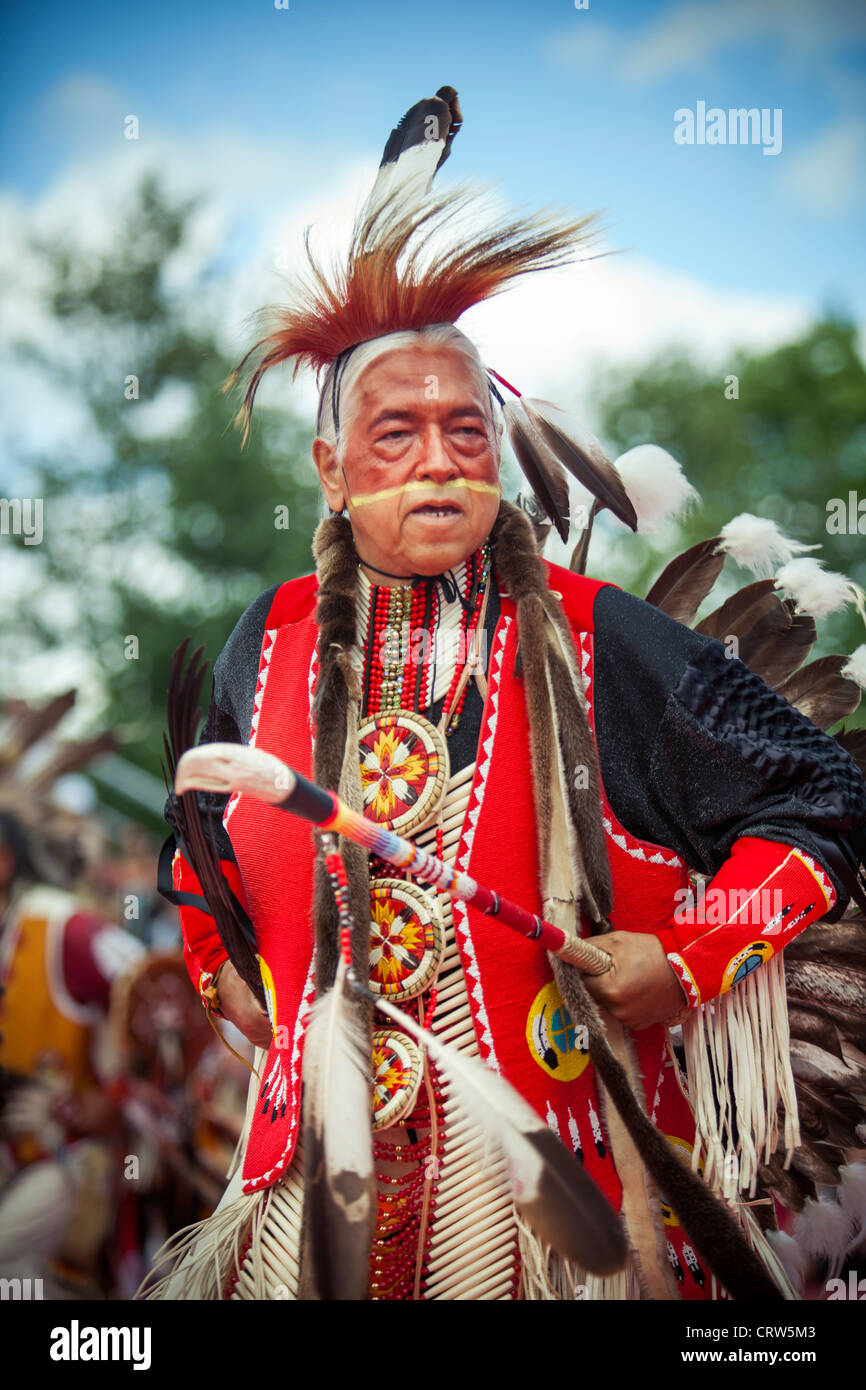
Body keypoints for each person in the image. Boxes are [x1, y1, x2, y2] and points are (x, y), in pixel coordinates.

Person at [144, 88, 866, 1301]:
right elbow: (198, 838)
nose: (438, 458)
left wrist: (685, 960)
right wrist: (229, 966)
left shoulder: (597, 642)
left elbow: (824, 795)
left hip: (552, 1211)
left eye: (466, 431)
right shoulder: (262, 642)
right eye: (395, 433)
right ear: (328, 468)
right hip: (304, 1210)